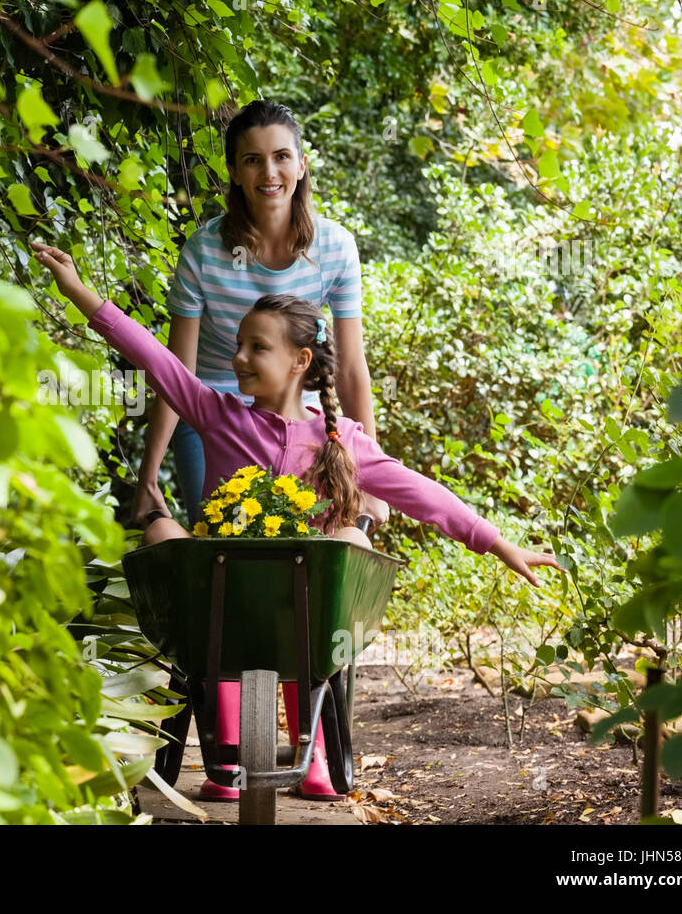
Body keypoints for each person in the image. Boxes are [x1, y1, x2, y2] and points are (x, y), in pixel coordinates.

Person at [31, 241, 562, 802]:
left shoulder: (342, 441)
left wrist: (500, 544)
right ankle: (228, 755)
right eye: (238, 344)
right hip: (219, 602)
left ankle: (317, 756)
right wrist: (80, 293)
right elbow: (155, 358)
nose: (238, 358)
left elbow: (424, 496)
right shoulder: (217, 414)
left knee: (348, 538)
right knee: (165, 532)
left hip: (305, 616)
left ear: (299, 361)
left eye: (256, 347)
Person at [133, 100, 389, 534]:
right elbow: (178, 372)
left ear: (302, 165)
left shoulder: (335, 248)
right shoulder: (203, 252)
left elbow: (349, 366)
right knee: (223, 536)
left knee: (311, 537)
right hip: (217, 411)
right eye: (253, 160)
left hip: (298, 410)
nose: (269, 173)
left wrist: (375, 475)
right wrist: (149, 474)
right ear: (234, 171)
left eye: (281, 157)